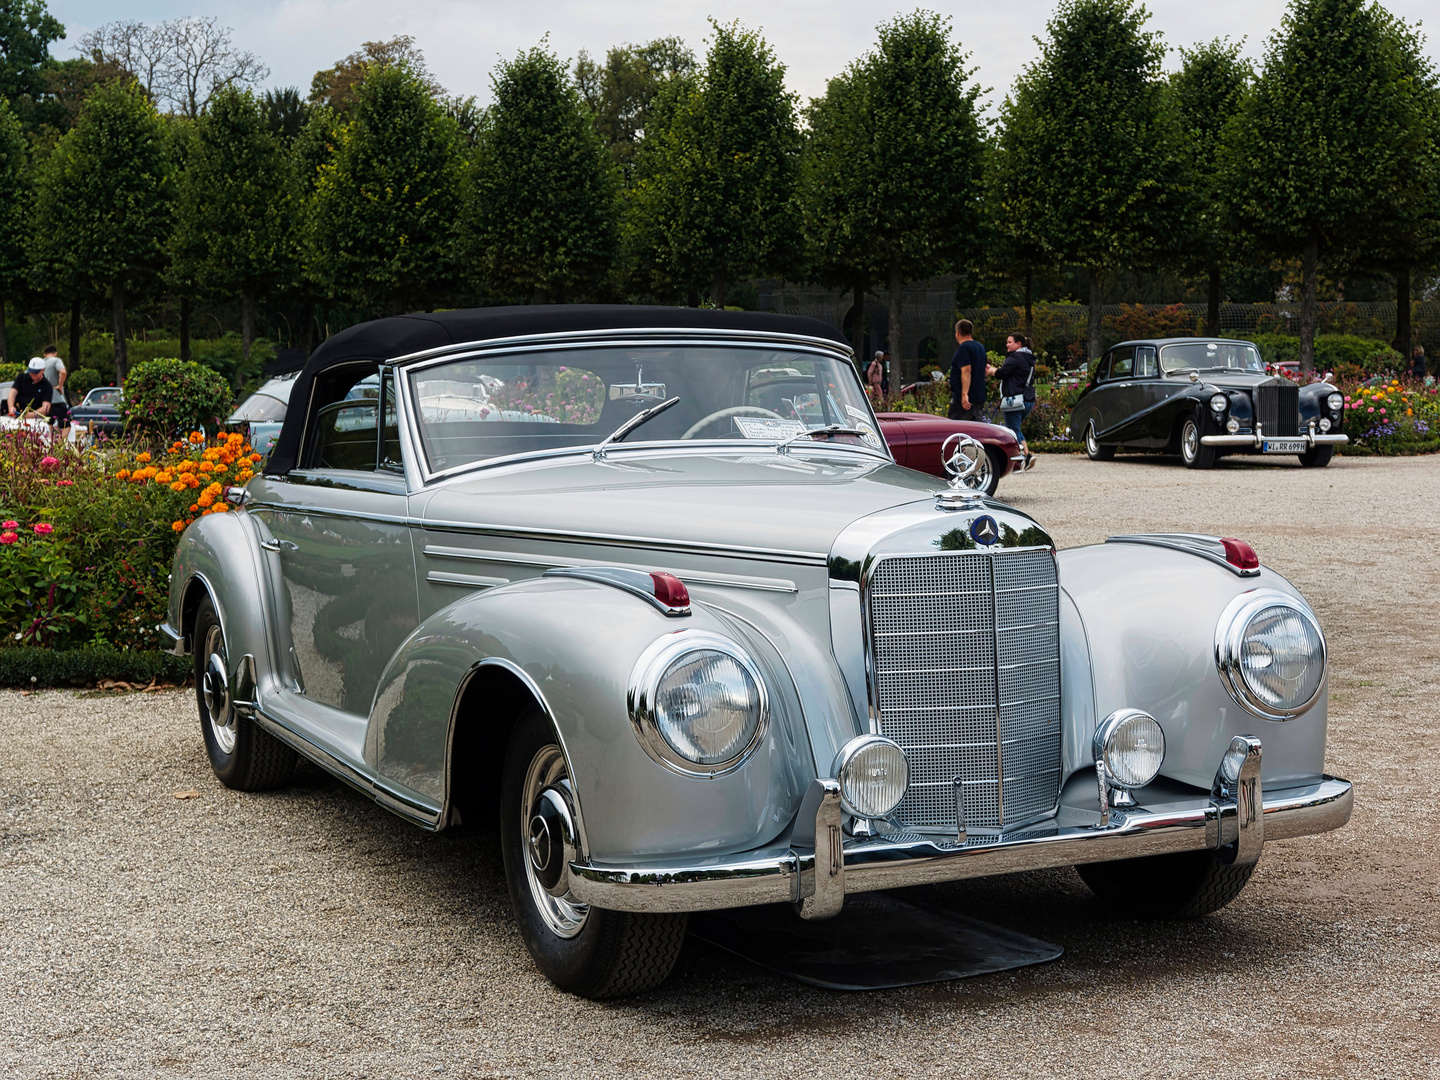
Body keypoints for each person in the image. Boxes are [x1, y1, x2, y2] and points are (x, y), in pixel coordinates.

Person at [989, 332, 1037, 469]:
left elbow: (1002, 373)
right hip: (1028, 399)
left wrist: (992, 370)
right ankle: (1023, 456)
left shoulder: (1015, 357)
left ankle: (1025, 456)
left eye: (1010, 342)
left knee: (1013, 429)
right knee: (1015, 428)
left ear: (1018, 344)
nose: (1007, 344)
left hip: (1014, 399)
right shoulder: (1029, 358)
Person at [947, 319, 987, 420]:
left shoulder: (963, 348)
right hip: (979, 395)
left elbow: (966, 370)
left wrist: (964, 394)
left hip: (965, 400)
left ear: (957, 333)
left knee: (957, 429)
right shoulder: (980, 347)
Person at [41, 344, 69, 436]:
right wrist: (60, 386)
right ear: (55, 353)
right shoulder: (56, 360)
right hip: (56, 398)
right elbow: (63, 372)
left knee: (49, 424)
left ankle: (49, 445)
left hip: (43, 400)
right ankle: (60, 445)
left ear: (44, 354)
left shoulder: (39, 363)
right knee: (66, 425)